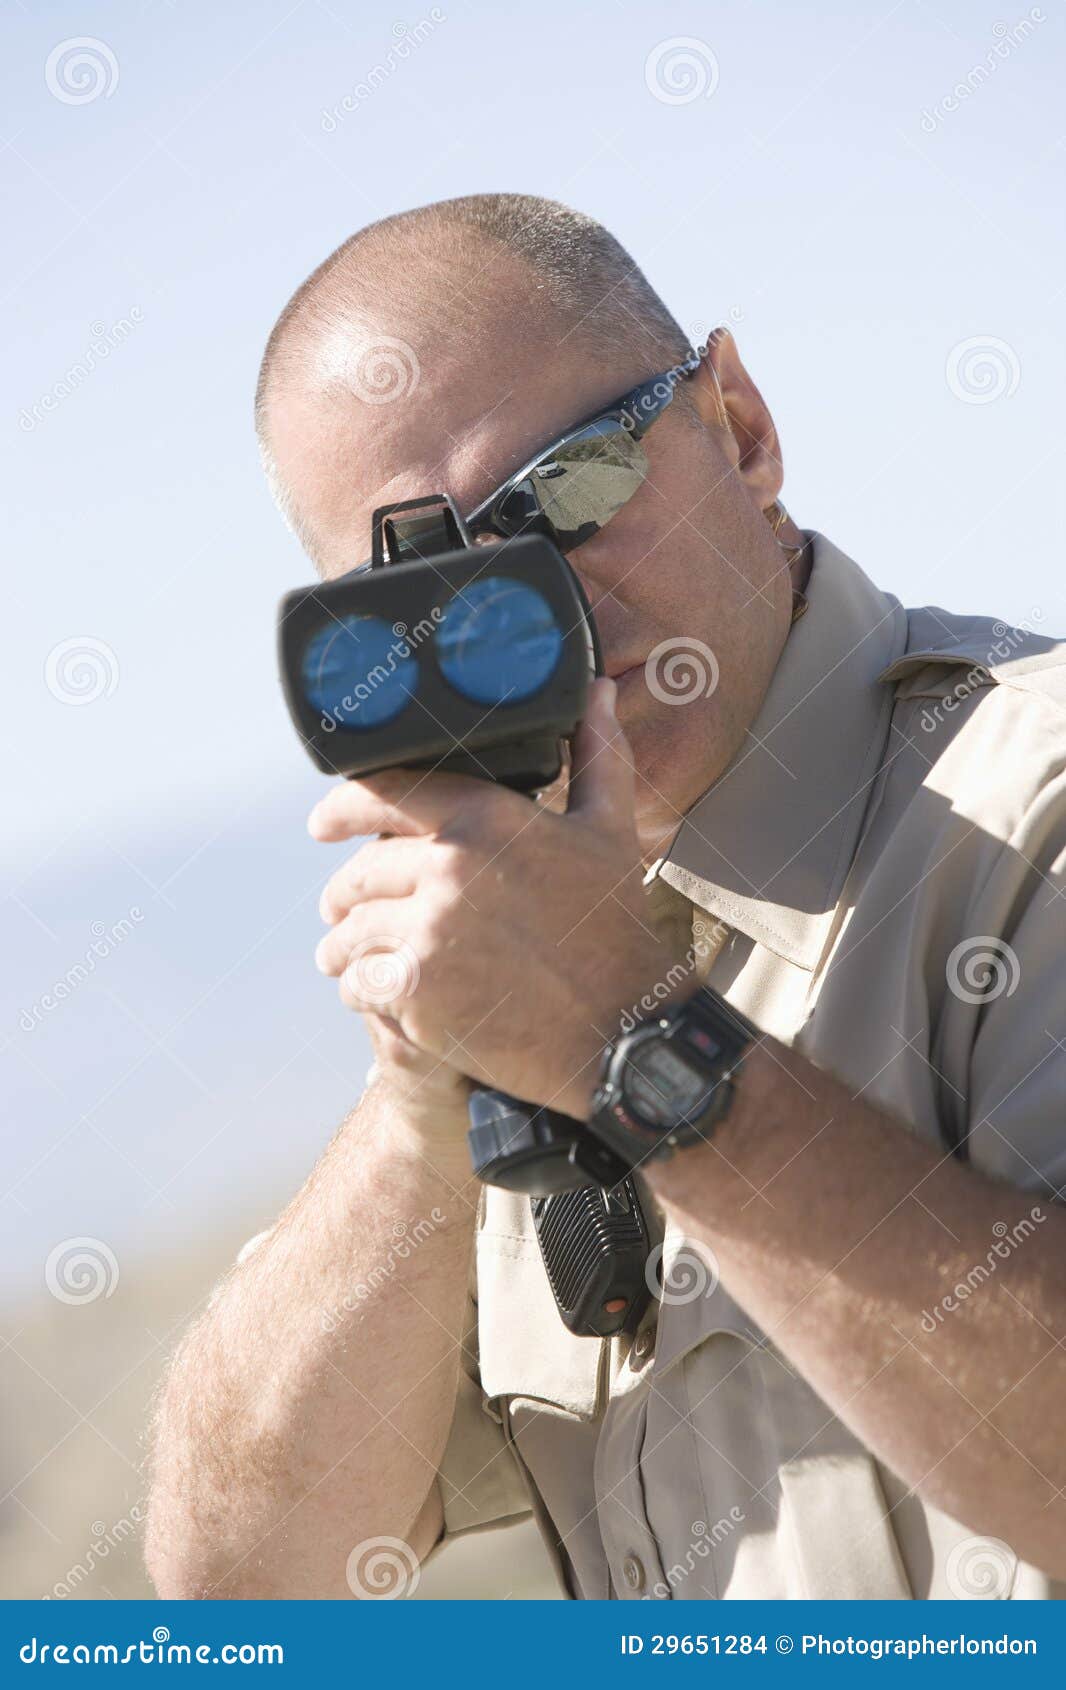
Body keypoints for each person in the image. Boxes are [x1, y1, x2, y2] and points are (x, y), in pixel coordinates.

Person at [147, 194, 1066, 1601]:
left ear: (739, 431)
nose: (535, 614)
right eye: (434, 582)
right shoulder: (505, 972)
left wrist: (636, 1048)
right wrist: (418, 1095)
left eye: (564, 495)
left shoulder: (1028, 807)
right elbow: (239, 1596)